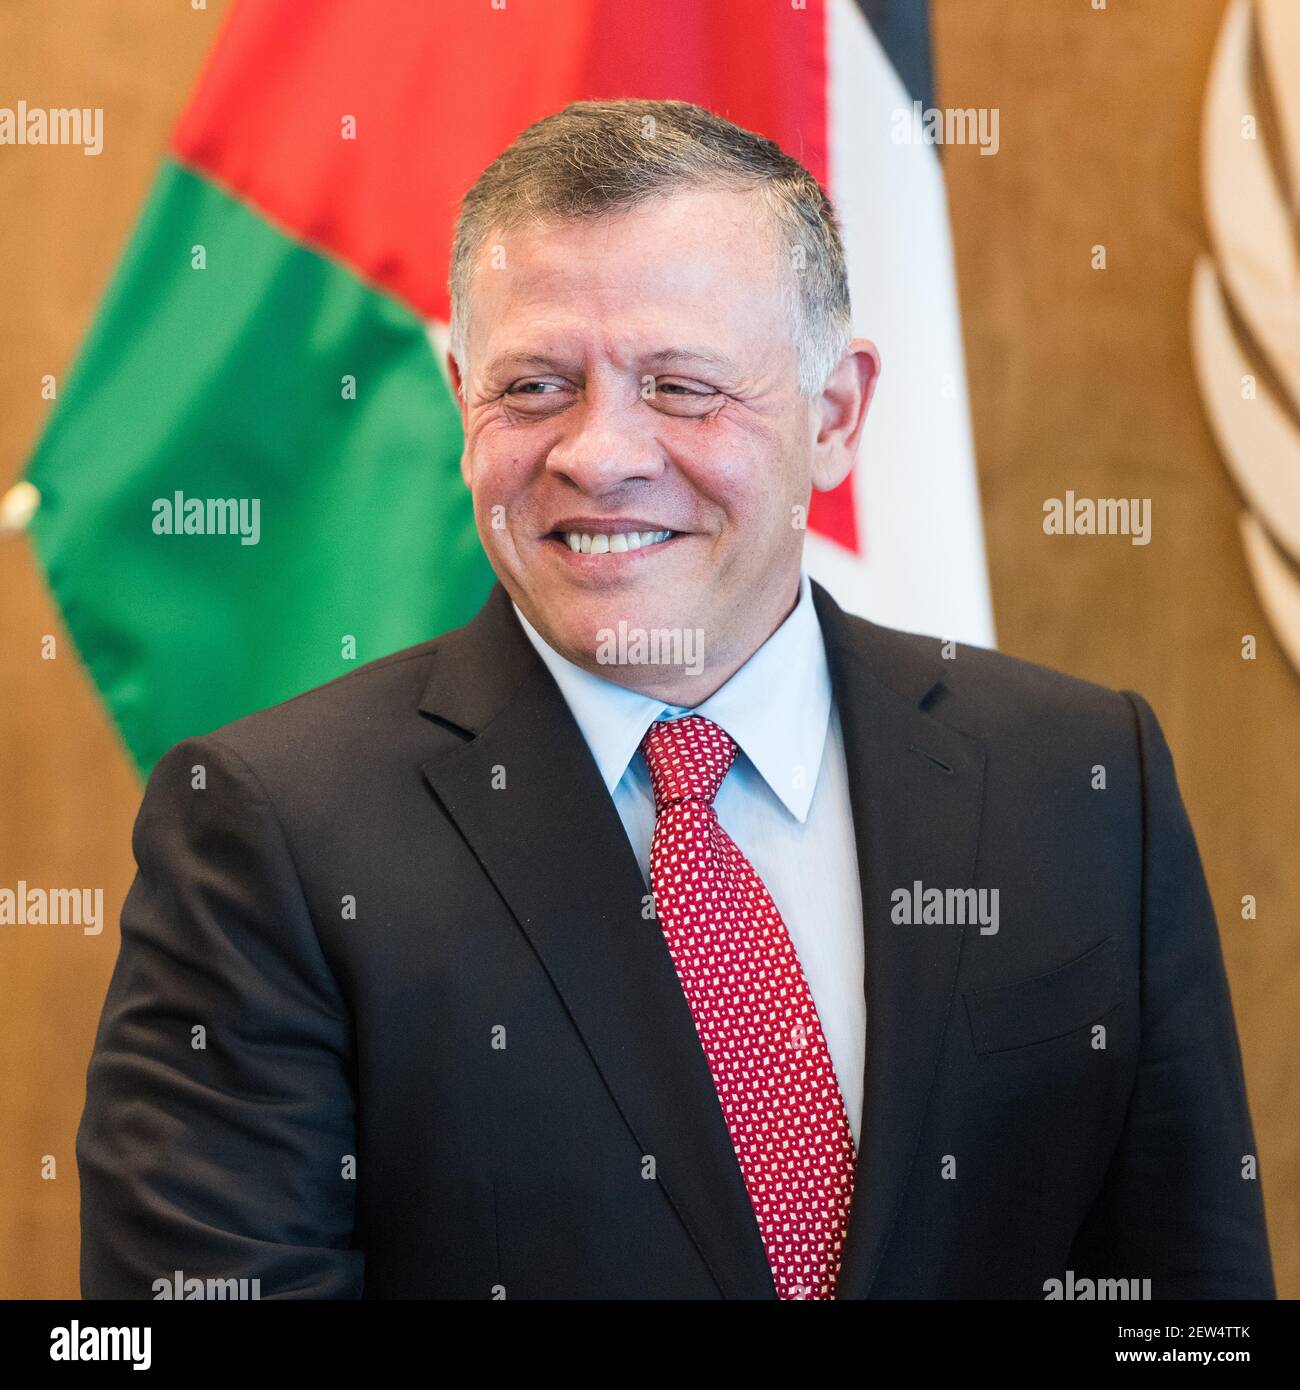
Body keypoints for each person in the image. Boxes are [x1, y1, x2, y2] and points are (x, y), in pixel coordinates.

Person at [78, 98, 1274, 1300]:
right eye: (535, 386)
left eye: (683, 385)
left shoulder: (1078, 777)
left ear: (836, 414)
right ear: (461, 402)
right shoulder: (271, 832)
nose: (599, 454)